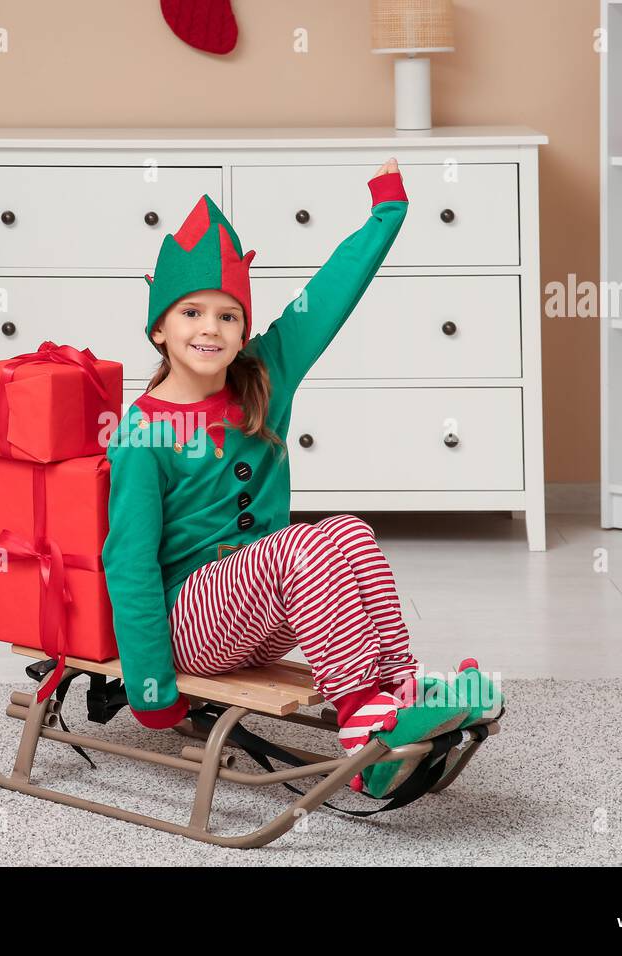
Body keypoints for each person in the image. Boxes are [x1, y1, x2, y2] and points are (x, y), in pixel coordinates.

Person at [102, 160, 494, 786]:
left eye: (228, 316)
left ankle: (400, 689)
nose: (211, 328)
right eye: (191, 314)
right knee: (304, 544)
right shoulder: (142, 433)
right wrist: (151, 688)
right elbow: (128, 564)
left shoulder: (263, 376)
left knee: (349, 531)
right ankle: (362, 722)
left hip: (266, 615)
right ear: (159, 328)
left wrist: (387, 212)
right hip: (189, 628)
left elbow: (330, 292)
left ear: (244, 331)